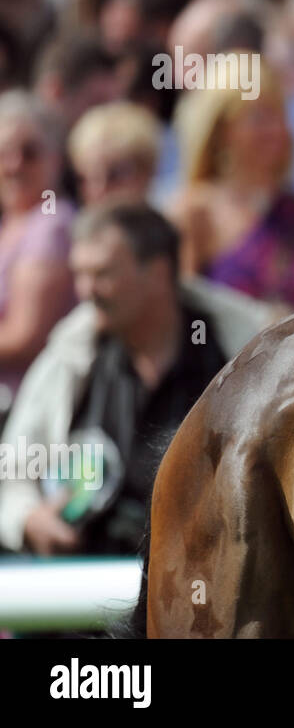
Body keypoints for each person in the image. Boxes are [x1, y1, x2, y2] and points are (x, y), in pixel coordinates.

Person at [0, 201, 273, 555]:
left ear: (158, 273)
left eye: (103, 274)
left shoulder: (236, 351)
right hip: (84, 583)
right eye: (79, 274)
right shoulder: (72, 356)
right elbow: (13, 467)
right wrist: (28, 518)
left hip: (211, 578)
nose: (86, 291)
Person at [170, 57, 294, 312]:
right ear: (221, 129)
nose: (275, 129)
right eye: (259, 117)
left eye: (280, 115)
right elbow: (180, 313)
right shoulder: (194, 213)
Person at [0, 92, 78, 413]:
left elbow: (26, 338)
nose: (15, 165)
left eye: (29, 153)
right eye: (4, 153)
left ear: (55, 159)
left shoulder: (51, 224)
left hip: (25, 414)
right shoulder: (12, 224)